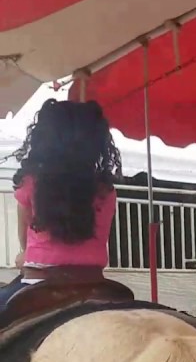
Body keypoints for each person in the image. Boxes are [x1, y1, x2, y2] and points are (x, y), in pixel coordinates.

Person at [0, 99, 121, 313]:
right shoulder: (106, 191)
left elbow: (24, 243)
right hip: (94, 282)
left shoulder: (30, 183)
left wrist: (25, 256)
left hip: (39, 283)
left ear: (44, 139)